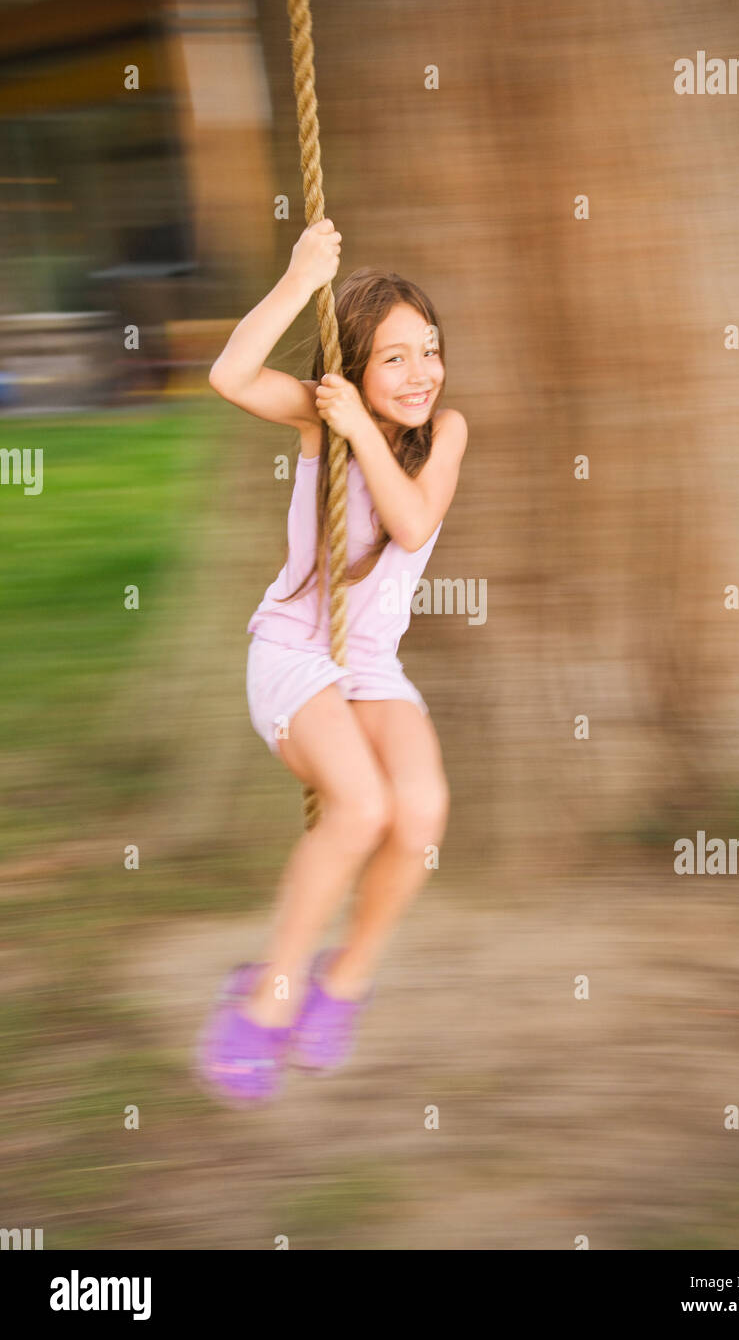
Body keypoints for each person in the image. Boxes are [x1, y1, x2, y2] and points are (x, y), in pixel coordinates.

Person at [196, 218, 468, 1102]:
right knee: (358, 806)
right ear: (352, 368)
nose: (421, 371)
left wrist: (360, 420)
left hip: (371, 665)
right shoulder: (322, 421)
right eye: (393, 358)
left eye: (427, 349)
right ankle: (267, 998)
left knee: (421, 812)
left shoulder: (447, 433)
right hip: (293, 655)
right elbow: (229, 376)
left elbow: (415, 522)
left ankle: (342, 981)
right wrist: (296, 277)